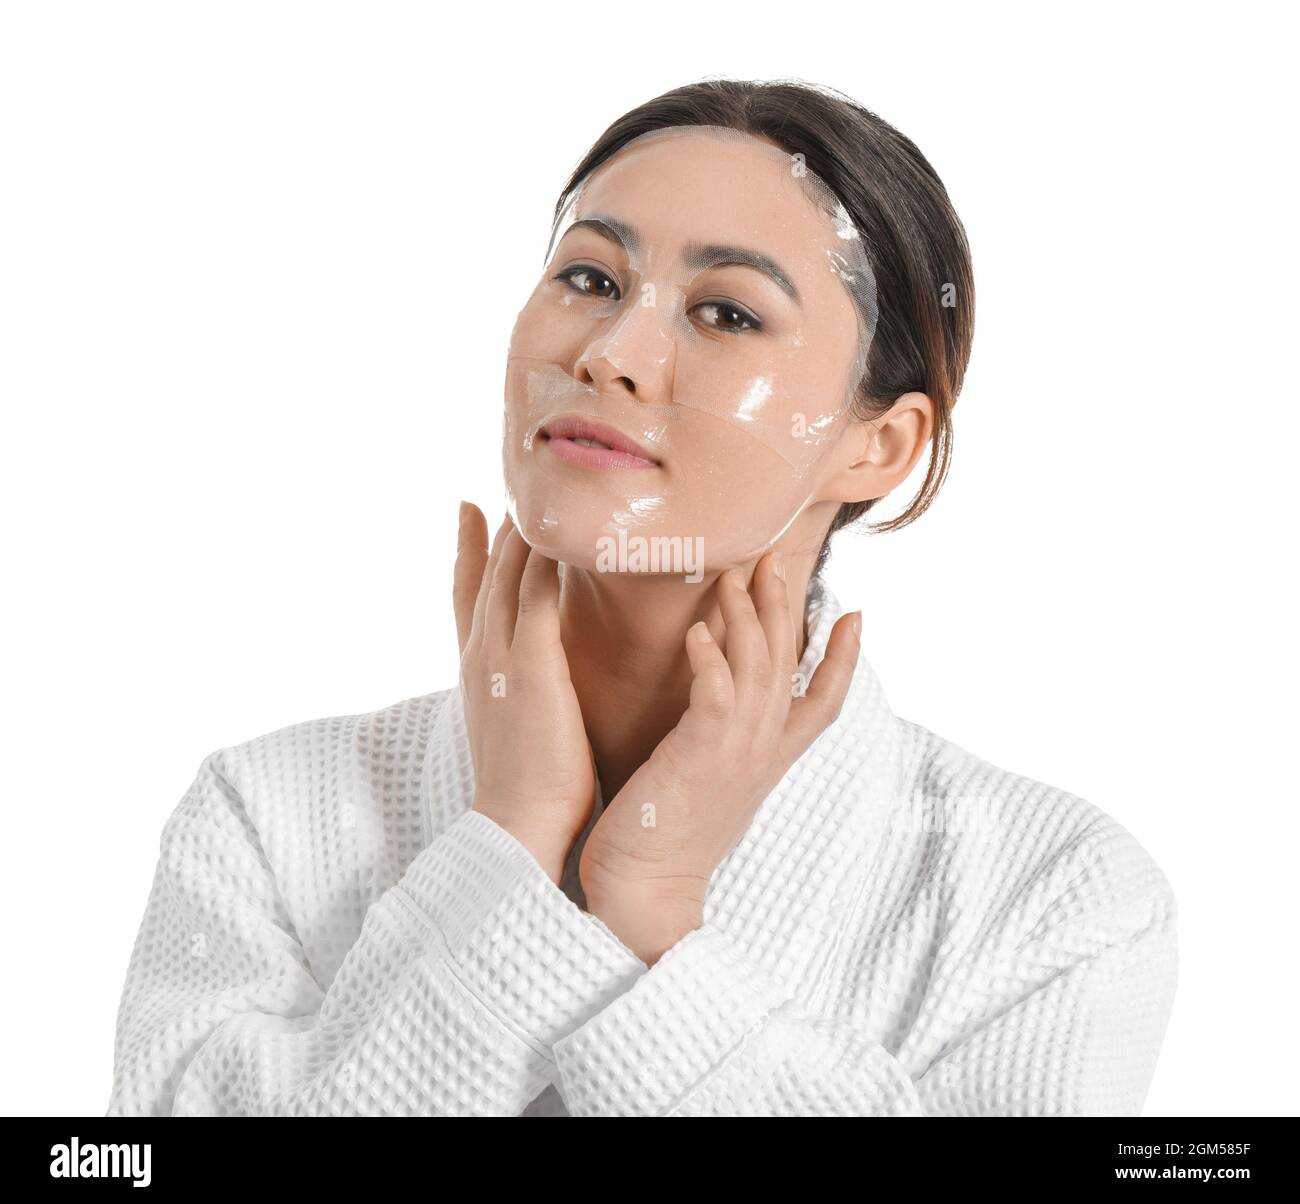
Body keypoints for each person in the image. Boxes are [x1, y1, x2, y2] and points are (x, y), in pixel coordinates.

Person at [107, 79, 1177, 1117]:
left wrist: (657, 905)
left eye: (724, 312)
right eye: (589, 279)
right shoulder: (268, 817)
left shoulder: (1053, 896)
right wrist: (507, 841)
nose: (611, 356)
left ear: (877, 444)